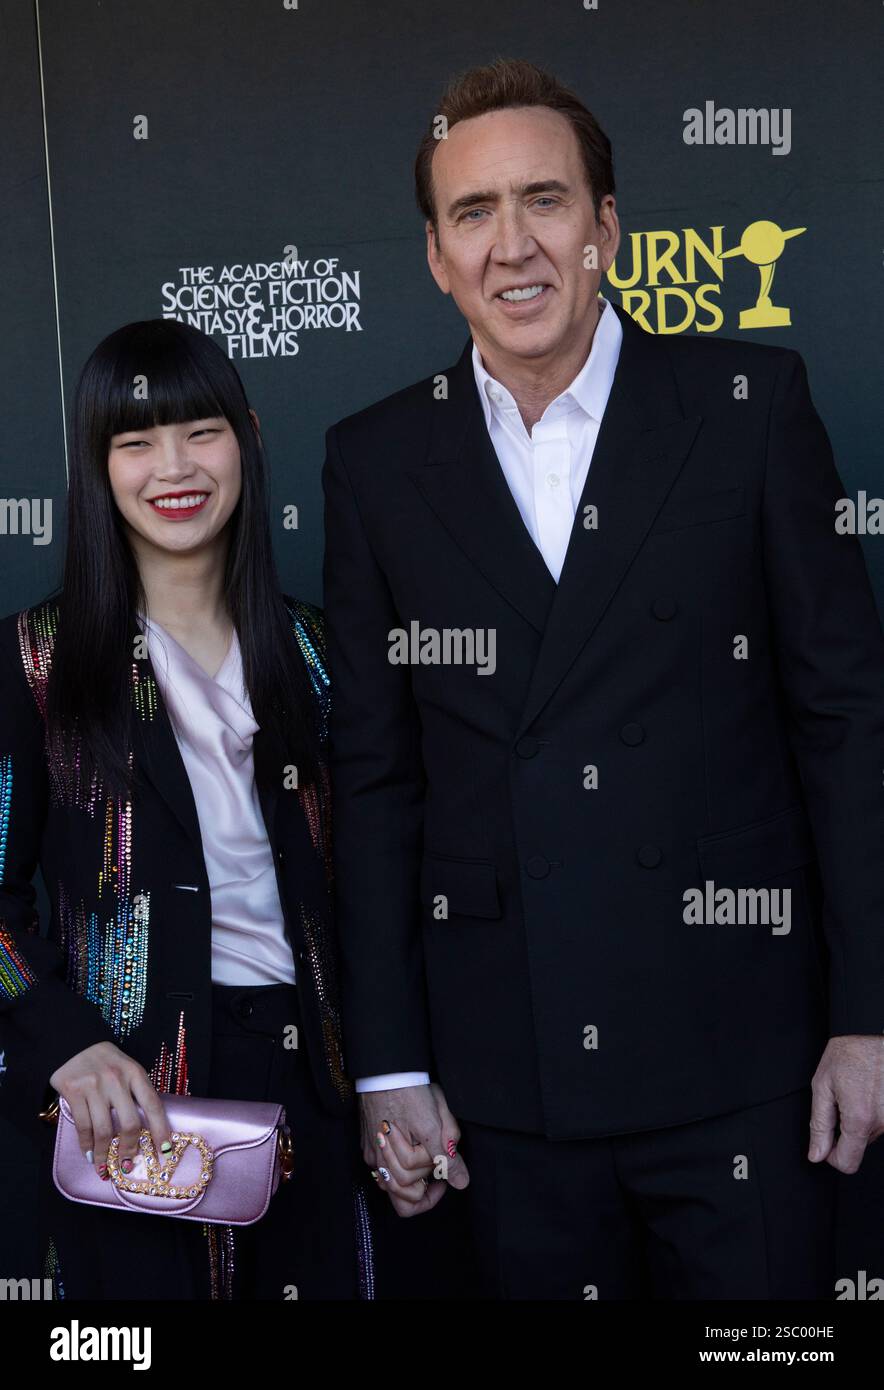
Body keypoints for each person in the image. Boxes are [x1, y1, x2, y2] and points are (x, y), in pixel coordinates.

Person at [321, 58, 884, 1298]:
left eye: (544, 201)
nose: (510, 245)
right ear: (432, 253)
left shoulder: (746, 404)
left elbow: (847, 722)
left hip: (749, 1066)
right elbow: (372, 782)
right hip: (502, 1087)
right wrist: (386, 1066)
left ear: (605, 229)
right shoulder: (373, 459)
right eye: (472, 213)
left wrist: (869, 1014)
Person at [0, 318, 373, 1300]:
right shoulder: (36, 662)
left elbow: (379, 883)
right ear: (97, 468)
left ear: (246, 436)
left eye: (199, 430)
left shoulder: (321, 656)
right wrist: (62, 1040)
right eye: (134, 440)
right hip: (128, 1100)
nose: (173, 465)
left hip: (317, 1082)